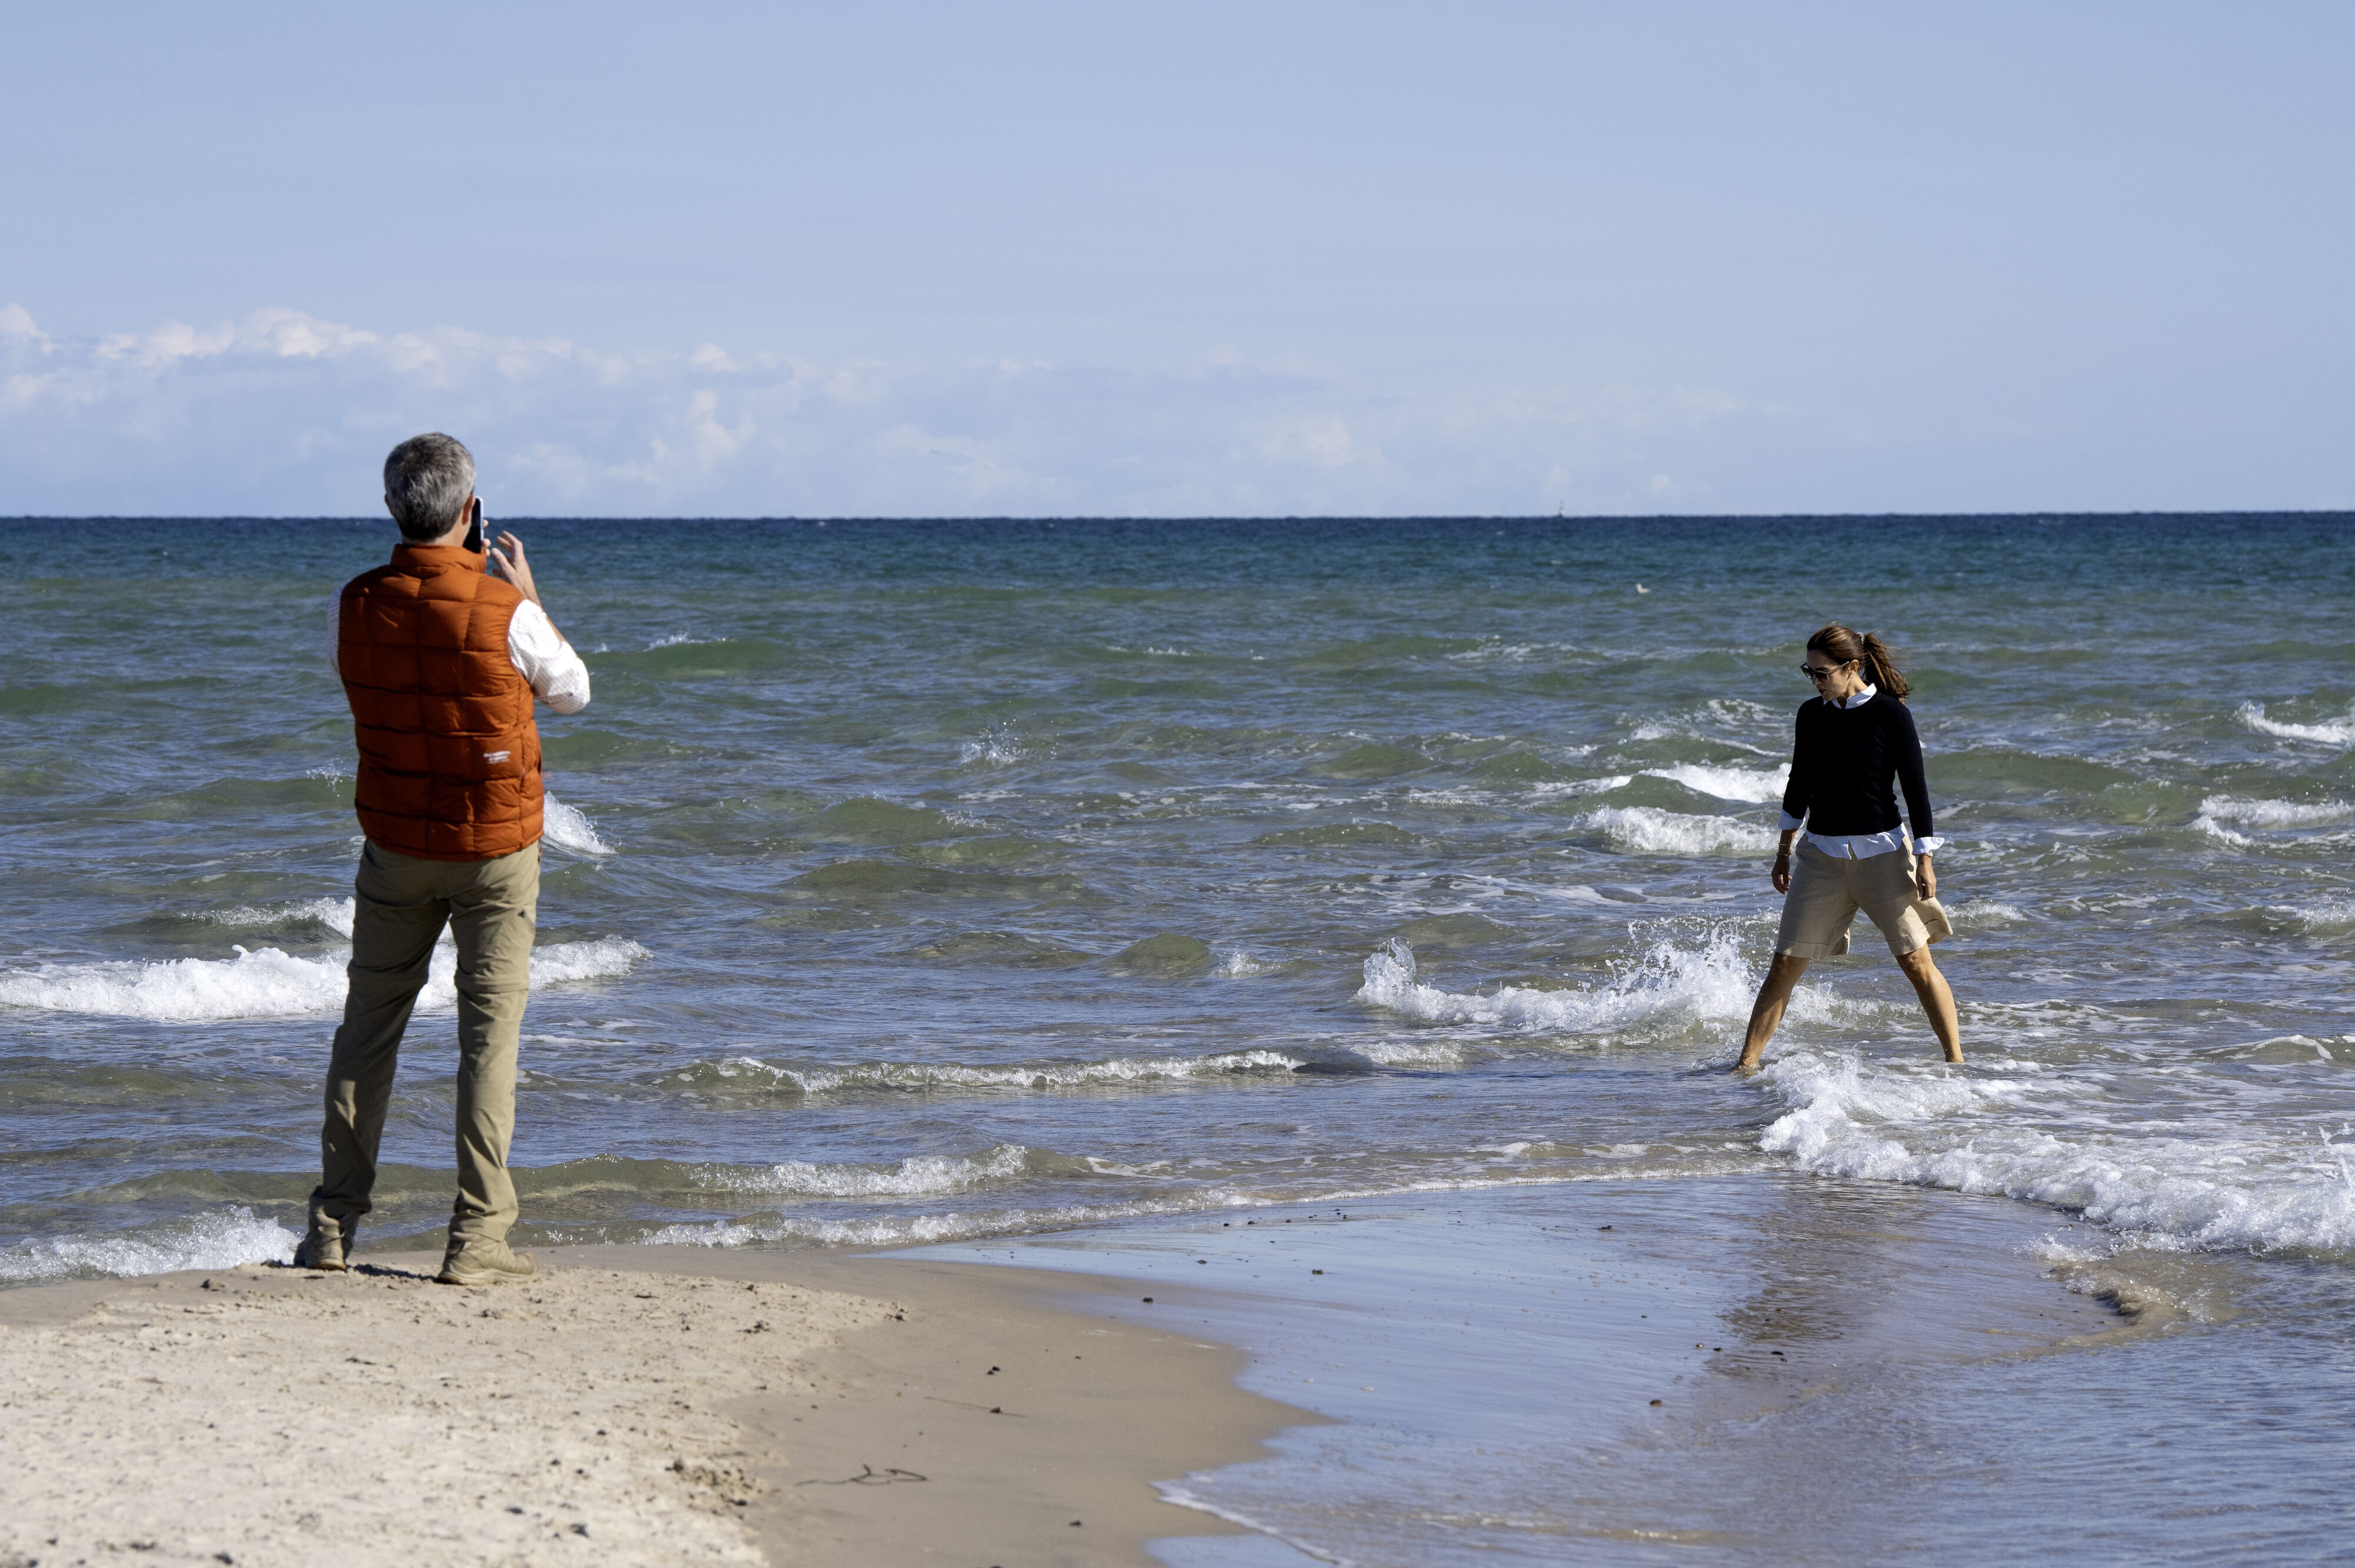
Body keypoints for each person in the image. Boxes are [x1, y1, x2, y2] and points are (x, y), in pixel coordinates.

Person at [295, 433, 591, 1284]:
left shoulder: (353, 602)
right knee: (488, 1038)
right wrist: (528, 596)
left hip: (396, 843)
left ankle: (332, 1229)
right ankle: (478, 1238)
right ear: (470, 511)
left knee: (367, 1031)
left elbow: (358, 677)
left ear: (394, 508)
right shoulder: (507, 608)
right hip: (495, 845)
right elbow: (572, 695)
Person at [1734, 624, 1959, 1073]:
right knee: (1785, 964)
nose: (1815, 682)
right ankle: (1745, 1065)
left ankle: (1956, 1061)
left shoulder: (1891, 714)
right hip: (1821, 859)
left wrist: (1926, 859)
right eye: (1809, 673)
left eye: (1822, 673)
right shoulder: (1811, 714)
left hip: (1883, 857)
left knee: (1916, 962)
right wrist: (1783, 851)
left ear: (1852, 667)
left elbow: (1916, 790)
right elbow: (1799, 784)